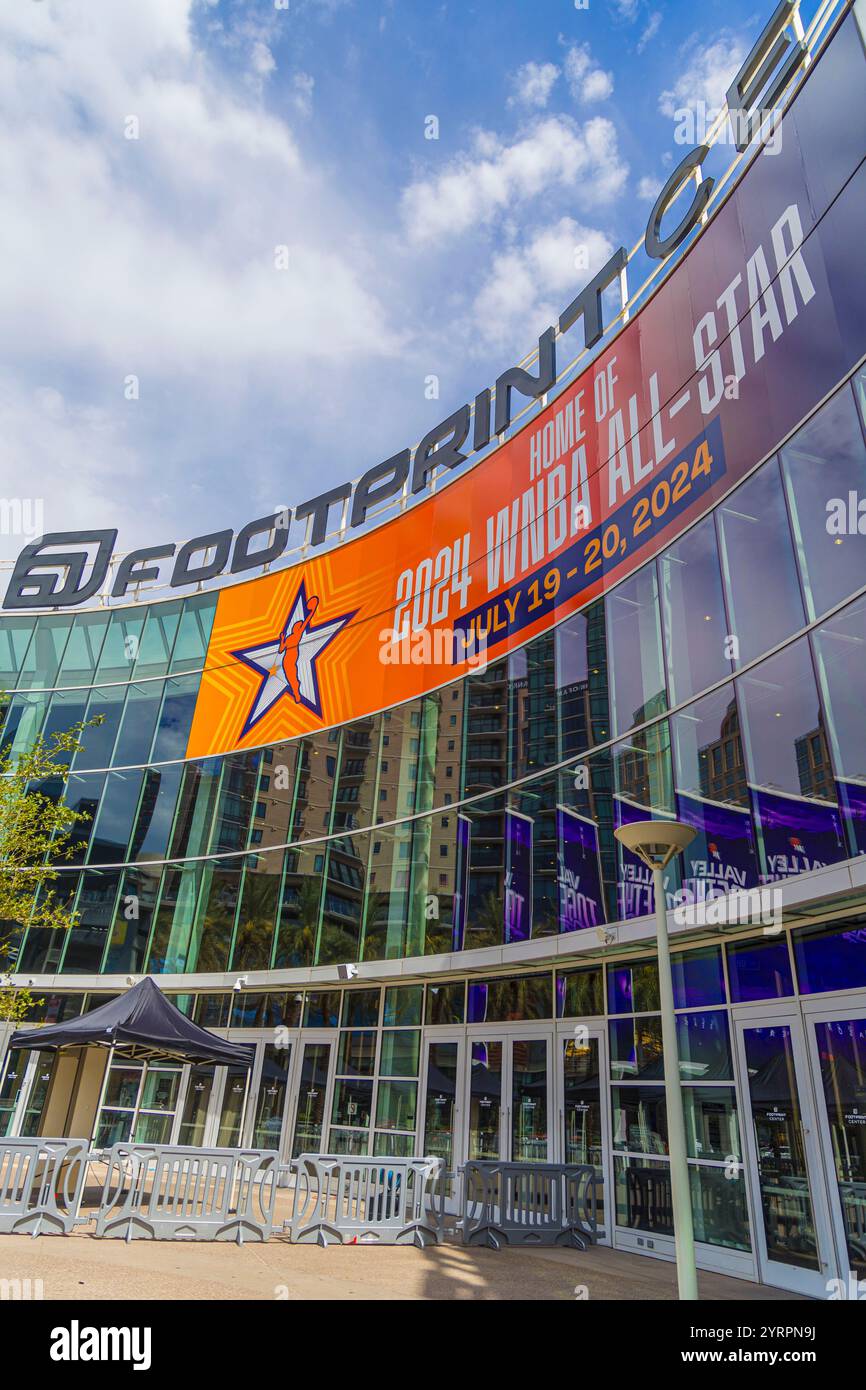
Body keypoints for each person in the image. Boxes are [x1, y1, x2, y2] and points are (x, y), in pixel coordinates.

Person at [279, 594, 319, 702]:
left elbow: (306, 621)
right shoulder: (291, 637)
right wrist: (282, 639)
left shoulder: (297, 635)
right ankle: (296, 693)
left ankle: (296, 692)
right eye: (299, 625)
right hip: (287, 662)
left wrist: (313, 610)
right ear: (295, 627)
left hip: (290, 661)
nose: (301, 626)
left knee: (294, 679)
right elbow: (281, 650)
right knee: (292, 679)